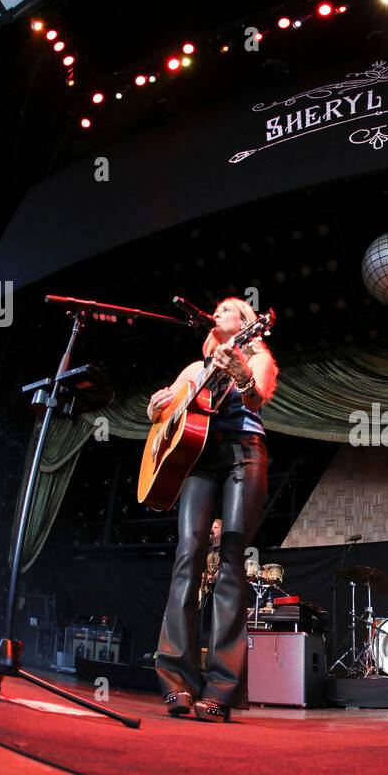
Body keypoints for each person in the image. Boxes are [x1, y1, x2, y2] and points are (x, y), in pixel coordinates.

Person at [147, 298, 277, 722]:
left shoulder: (259, 355)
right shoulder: (196, 366)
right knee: (188, 556)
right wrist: (155, 411)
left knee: (232, 562)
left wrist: (241, 376)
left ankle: (221, 689)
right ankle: (175, 683)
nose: (217, 312)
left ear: (245, 323)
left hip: (244, 452)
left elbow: (255, 401)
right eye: (217, 309)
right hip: (199, 459)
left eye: (226, 308)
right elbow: (167, 413)